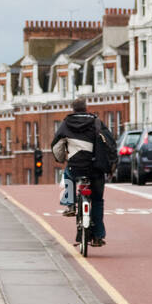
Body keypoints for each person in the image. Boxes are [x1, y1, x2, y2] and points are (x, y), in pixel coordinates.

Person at [51, 97, 115, 247]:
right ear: (86, 108)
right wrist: (111, 166)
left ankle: (71, 203)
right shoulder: (97, 122)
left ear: (73, 109)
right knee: (98, 201)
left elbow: (57, 145)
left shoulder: (66, 124)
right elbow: (110, 143)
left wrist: (61, 158)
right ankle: (98, 236)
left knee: (67, 173)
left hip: (75, 167)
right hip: (96, 168)